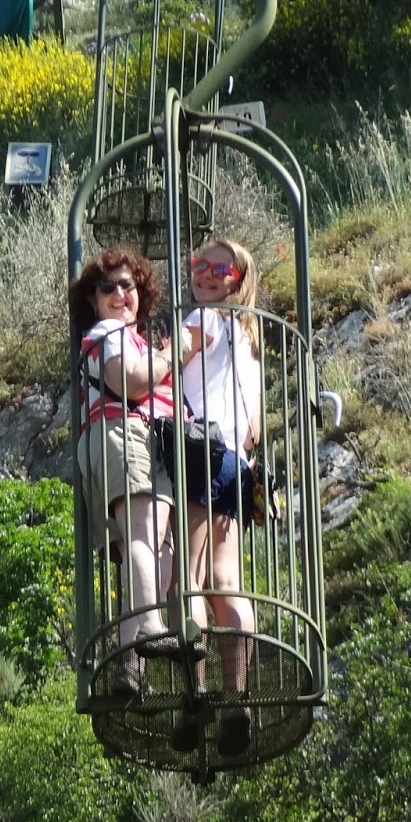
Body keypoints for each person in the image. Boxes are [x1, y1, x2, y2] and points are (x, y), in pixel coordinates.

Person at [69, 247, 179, 699]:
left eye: (127, 285)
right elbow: (127, 380)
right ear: (94, 299)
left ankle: (128, 662)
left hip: (135, 438)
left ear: (141, 293)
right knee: (142, 535)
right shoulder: (108, 332)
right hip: (121, 432)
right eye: (108, 286)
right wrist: (174, 355)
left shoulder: (131, 338)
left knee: (159, 545)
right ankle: (152, 625)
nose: (119, 293)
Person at [178, 237, 262, 757]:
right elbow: (253, 427)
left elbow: (172, 360)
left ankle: (194, 696)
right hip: (236, 462)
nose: (205, 273)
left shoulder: (206, 319)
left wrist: (146, 357)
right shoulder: (249, 336)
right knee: (226, 583)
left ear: (237, 281)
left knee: (186, 577)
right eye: (198, 263)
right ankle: (239, 700)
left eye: (218, 268)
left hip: (199, 452)